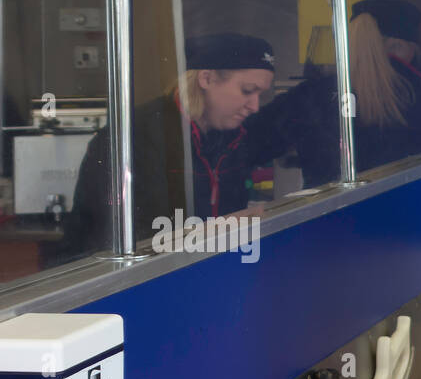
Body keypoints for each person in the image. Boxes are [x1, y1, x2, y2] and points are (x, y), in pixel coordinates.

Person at [58, 33, 276, 257]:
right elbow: (118, 244)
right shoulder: (136, 139)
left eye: (261, 94)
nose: (254, 106)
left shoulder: (230, 137)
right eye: (248, 91)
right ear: (207, 79)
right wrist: (216, 232)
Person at [248, 0, 421, 187]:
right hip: (404, 211)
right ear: (400, 46)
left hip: (325, 214)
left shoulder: (312, 94)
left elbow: (250, 143)